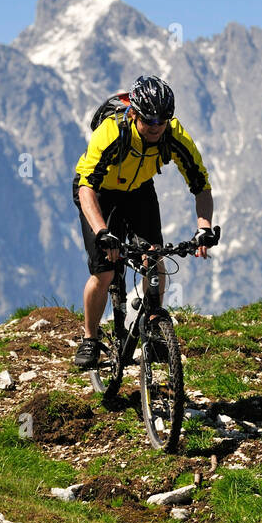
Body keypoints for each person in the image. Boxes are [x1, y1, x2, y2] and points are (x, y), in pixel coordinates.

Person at [70, 75, 218, 369]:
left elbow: (201, 184)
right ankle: (89, 338)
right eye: (149, 120)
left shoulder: (173, 135)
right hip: (99, 193)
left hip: (138, 190)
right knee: (105, 273)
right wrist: (102, 232)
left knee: (154, 255)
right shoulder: (112, 133)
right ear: (134, 113)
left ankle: (153, 325)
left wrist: (204, 226)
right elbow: (87, 188)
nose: (155, 127)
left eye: (161, 121)